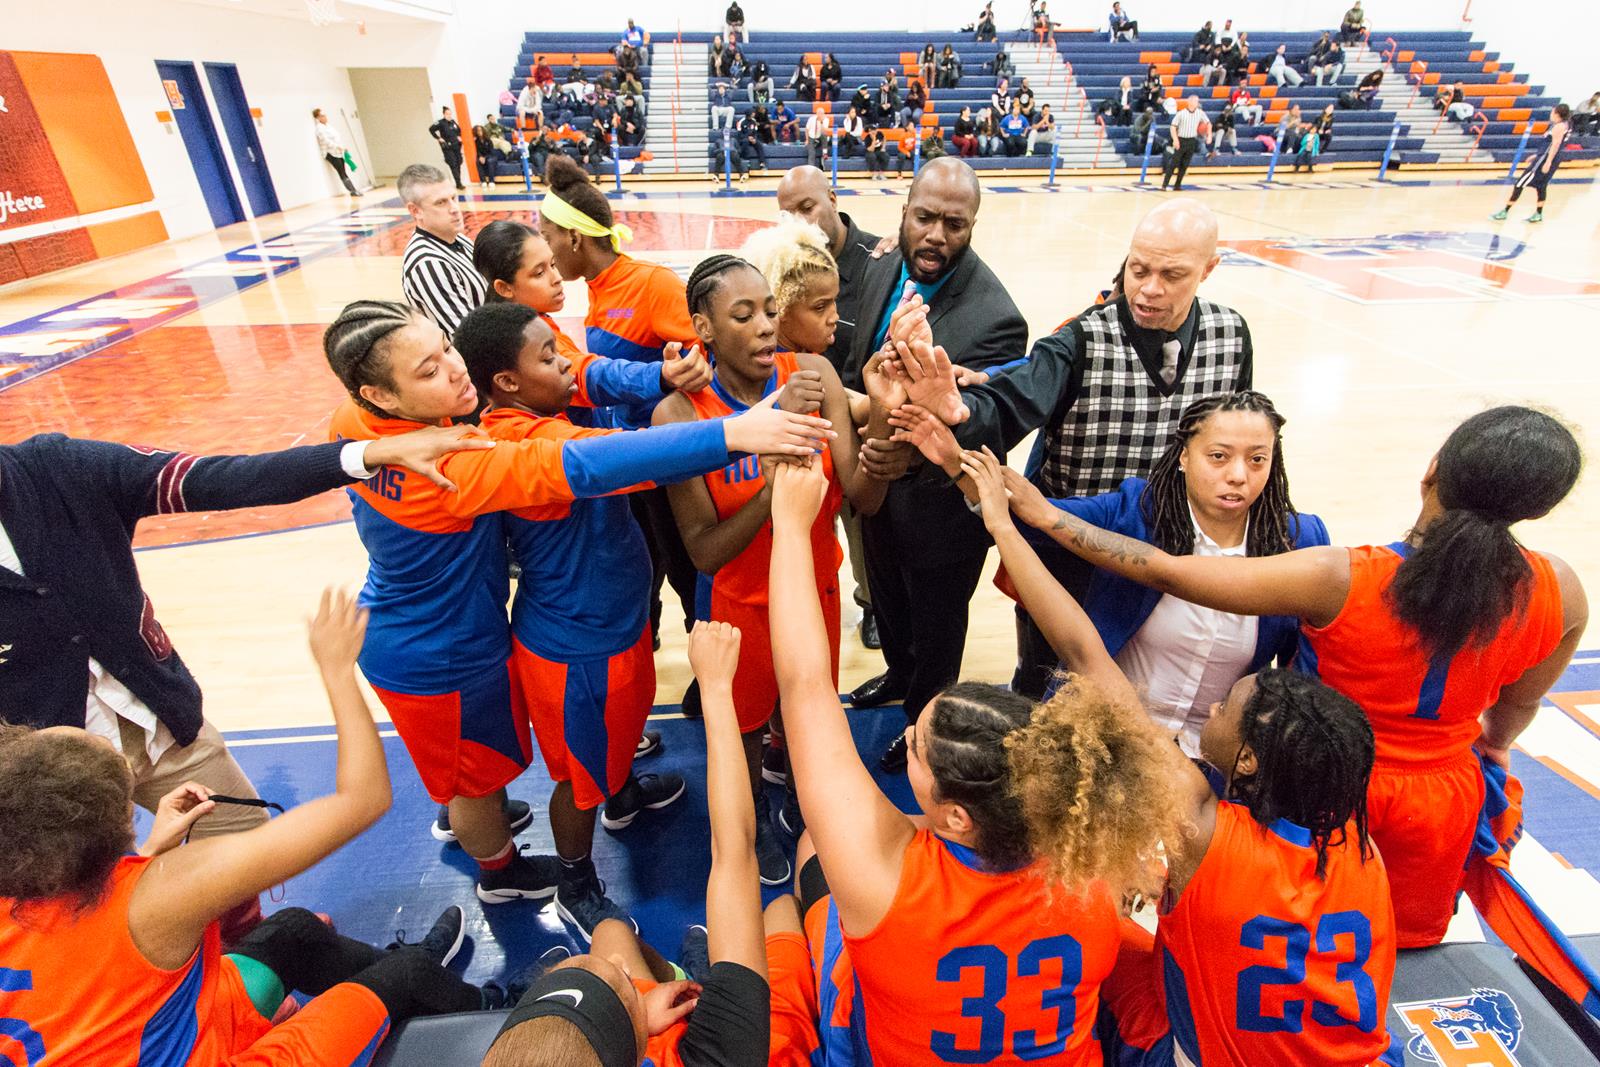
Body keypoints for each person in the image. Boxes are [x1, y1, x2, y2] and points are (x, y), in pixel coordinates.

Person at [1016, 404, 1587, 953]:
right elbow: (1515, 710)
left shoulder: (1340, 576)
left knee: (1252, 934)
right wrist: (1493, 745)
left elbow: (1168, 571)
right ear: (1536, 508)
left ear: (1433, 470)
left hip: (1315, 785)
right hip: (1438, 803)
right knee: (1390, 953)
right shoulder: (1561, 589)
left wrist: (1044, 516)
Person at [323, 295, 829, 907]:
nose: (453, 371)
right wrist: (737, 432)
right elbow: (594, 463)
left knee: (588, 754)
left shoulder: (358, 425)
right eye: (427, 371)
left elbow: (582, 372)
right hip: (476, 650)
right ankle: (567, 879)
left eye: (447, 351)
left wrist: (658, 376)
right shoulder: (466, 463)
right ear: (378, 395)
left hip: (541, 630)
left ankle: (609, 795)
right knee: (525, 779)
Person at [953, 447, 1397, 1067]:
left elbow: (1085, 655)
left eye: (1225, 708)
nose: (1213, 707)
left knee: (1093, 942)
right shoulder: (1355, 836)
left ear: (1246, 763)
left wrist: (1003, 525)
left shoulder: (1201, 821)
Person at [766, 456, 1185, 1066]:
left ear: (959, 817)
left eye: (916, 748)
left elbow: (805, 685)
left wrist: (789, 519)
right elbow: (1088, 656)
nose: (908, 741)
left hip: (896, 1015)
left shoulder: (885, 880)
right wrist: (1003, 527)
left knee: (806, 863)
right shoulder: (1098, 859)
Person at [0, 422, 479, 948]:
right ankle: (228, 984)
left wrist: (368, 453)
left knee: (239, 845)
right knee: (94, 917)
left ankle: (254, 942)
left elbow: (219, 479)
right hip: (44, 778)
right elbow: (361, 800)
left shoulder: (53, 467)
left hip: (156, 710)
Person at [0, 590, 502, 1066]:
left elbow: (86, 938)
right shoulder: (163, 894)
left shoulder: (22, 882)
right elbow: (363, 801)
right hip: (201, 1053)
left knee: (295, 931)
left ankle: (396, 978)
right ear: (116, 818)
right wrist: (336, 670)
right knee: (408, 977)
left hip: (139, 1034)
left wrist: (153, 848)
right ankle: (504, 1019)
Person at [895, 200, 1253, 701]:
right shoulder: (1082, 337)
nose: (1149, 288)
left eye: (1172, 274)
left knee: (1134, 683)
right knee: (1043, 683)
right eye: (1138, 268)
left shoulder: (1232, 335)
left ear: (1209, 269)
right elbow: (1015, 396)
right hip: (1066, 554)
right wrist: (961, 411)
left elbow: (1237, 439)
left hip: (1165, 548)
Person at [483, 620, 828, 1067]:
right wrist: (717, 687)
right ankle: (710, 979)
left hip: (653, 1035)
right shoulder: (726, 1050)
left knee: (609, 935)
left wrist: (637, 1013)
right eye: (617, 994)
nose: (617, 978)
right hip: (760, 1038)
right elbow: (733, 851)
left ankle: (689, 979)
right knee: (781, 910)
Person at [654, 252, 885, 883]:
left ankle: (806, 813)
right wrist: (771, 484)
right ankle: (754, 822)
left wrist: (887, 408)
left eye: (769, 310)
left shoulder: (813, 374)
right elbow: (703, 550)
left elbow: (863, 498)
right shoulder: (678, 415)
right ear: (703, 328)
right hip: (741, 605)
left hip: (815, 591)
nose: (764, 326)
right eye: (743, 314)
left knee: (810, 717)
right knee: (749, 732)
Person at [840, 158, 1029, 772]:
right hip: (876, 487)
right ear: (905, 214)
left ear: (972, 226)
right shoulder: (883, 263)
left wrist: (895, 449)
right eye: (924, 218)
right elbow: (854, 357)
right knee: (888, 601)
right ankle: (898, 675)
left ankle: (926, 721)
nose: (936, 236)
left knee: (938, 624)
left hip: (938, 507)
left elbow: (971, 421)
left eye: (954, 224)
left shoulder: (997, 319)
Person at [537, 154, 707, 656]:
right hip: (628, 462)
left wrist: (691, 373)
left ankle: (715, 672)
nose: (547, 258)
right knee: (642, 573)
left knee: (686, 572)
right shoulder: (596, 289)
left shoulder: (651, 284)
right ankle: (640, 655)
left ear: (573, 237)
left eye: (547, 241)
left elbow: (707, 356)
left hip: (667, 464)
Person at [398, 163, 488, 341]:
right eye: (441, 202)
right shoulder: (427, 264)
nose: (454, 208)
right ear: (416, 211)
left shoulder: (459, 239)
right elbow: (469, 337)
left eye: (454, 198)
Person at [1494, 103, 1573, 222]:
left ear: (1557, 114)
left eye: (1552, 112)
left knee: (1520, 183)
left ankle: (1505, 211)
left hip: (1546, 158)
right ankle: (1538, 214)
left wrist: (1547, 161)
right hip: (1547, 156)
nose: (1550, 115)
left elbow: (1555, 145)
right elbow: (1551, 144)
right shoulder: (1567, 124)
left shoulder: (1559, 127)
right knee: (1541, 185)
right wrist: (1537, 155)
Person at [313, 108, 359, 196]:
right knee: (341, 172)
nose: (325, 117)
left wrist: (342, 147)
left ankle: (353, 190)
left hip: (338, 152)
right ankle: (353, 191)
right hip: (330, 153)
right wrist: (338, 147)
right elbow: (326, 141)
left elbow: (337, 138)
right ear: (318, 118)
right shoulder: (319, 129)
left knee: (344, 171)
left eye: (325, 115)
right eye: (322, 116)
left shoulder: (329, 126)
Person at [1163, 95, 1203, 191]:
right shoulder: (1181, 114)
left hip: (1191, 141)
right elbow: (1173, 127)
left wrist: (1208, 134)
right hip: (1180, 141)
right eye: (1196, 102)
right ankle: (1164, 184)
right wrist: (1175, 140)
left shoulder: (1199, 114)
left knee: (1184, 165)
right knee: (1173, 164)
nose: (1197, 103)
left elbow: (1208, 123)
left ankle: (1177, 185)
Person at [428, 105, 466, 189]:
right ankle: (458, 183)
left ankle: (458, 182)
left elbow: (459, 130)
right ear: (444, 114)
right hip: (448, 147)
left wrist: (459, 136)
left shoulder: (453, 122)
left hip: (456, 146)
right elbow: (431, 129)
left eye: (450, 113)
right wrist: (438, 138)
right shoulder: (440, 122)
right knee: (453, 164)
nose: (449, 115)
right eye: (447, 114)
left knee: (459, 162)